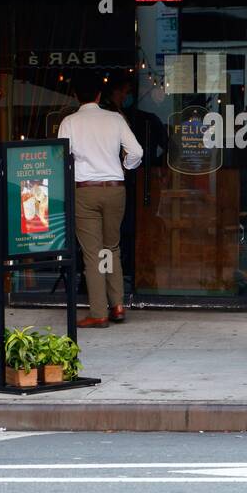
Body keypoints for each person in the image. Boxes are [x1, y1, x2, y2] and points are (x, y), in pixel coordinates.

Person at [58, 70, 144, 328]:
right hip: (115, 188)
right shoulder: (115, 119)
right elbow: (137, 151)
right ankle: (117, 305)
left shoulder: (69, 122)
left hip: (84, 189)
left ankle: (99, 311)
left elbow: (61, 158)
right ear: (99, 94)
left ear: (75, 95)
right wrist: (125, 166)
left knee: (93, 253)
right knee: (112, 247)